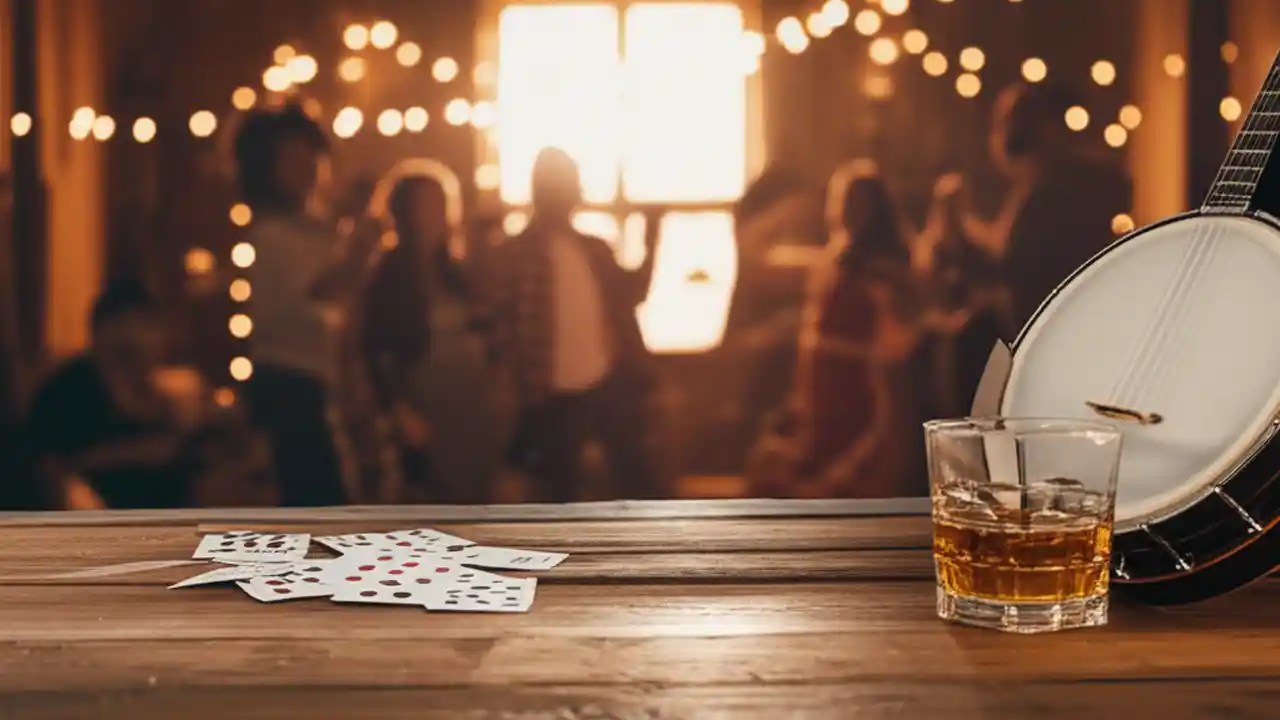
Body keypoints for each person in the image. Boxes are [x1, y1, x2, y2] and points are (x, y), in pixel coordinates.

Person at [486, 147, 659, 502]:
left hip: (605, 383)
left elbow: (630, 297)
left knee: (631, 482)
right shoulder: (517, 254)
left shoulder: (592, 249)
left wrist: (652, 241)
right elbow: (499, 326)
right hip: (550, 395)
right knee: (561, 493)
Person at [750, 160, 927, 499]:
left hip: (862, 405)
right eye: (843, 202)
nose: (847, 212)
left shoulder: (886, 274)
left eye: (857, 204)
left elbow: (898, 351)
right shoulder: (833, 263)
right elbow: (762, 259)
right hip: (821, 406)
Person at [234, 104, 381, 507]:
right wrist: (358, 247)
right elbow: (322, 290)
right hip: (288, 387)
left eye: (311, 157)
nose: (306, 169)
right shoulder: (273, 234)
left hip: (317, 383)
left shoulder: (314, 228)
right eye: (291, 158)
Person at [25, 280, 273, 509]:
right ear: (98, 332)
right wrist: (145, 451)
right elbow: (50, 465)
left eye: (145, 326)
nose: (134, 337)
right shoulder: (70, 387)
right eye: (122, 324)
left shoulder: (163, 390)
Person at [347, 159, 505, 504]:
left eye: (441, 204)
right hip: (425, 400)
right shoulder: (389, 276)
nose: (437, 214)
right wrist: (399, 409)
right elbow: (374, 350)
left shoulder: (452, 272)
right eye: (427, 205)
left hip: (467, 400)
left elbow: (484, 329)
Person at [965, 81, 1133, 329]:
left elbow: (1017, 264)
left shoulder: (1057, 190)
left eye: (1008, 124)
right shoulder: (1041, 184)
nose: (1001, 136)